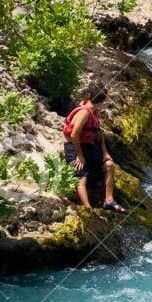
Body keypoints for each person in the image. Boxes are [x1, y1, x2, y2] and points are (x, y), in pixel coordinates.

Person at [63, 84, 126, 212]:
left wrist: (105, 152)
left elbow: (98, 132)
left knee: (109, 165)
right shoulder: (84, 113)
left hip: (89, 146)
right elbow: (74, 135)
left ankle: (109, 200)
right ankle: (88, 208)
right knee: (81, 177)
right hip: (75, 147)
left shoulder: (94, 111)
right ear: (103, 101)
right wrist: (80, 156)